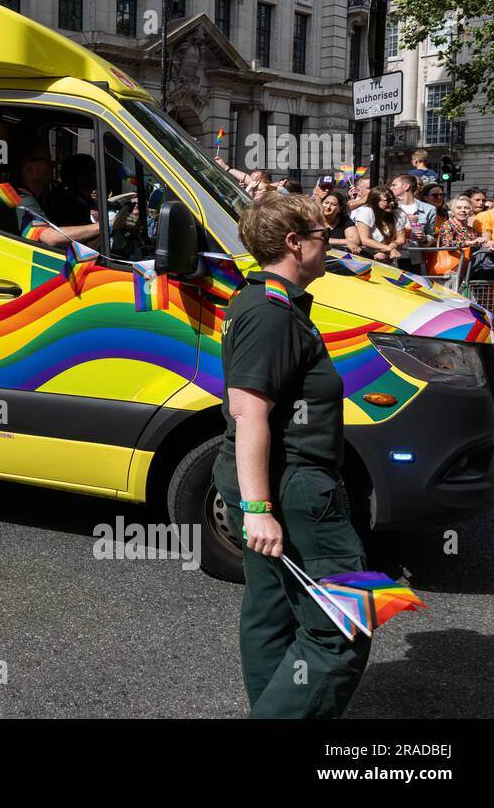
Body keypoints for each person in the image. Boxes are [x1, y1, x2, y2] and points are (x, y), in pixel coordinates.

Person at [214, 192, 370, 718]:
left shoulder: (260, 300)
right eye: (324, 236)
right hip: (293, 486)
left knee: (273, 613)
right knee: (342, 627)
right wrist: (259, 509)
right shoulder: (271, 313)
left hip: (276, 483)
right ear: (293, 243)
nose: (333, 243)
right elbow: (248, 411)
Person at [14, 143, 100, 249]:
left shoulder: (44, 197)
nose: (53, 164)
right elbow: (50, 237)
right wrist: (102, 227)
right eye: (47, 161)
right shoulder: (23, 201)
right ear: (30, 169)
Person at [429, 195, 486, 279]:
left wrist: (480, 241)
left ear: (470, 211)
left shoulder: (471, 230)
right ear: (452, 211)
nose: (462, 210)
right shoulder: (448, 225)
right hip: (449, 270)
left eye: (466, 208)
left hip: (465, 269)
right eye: (459, 208)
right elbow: (447, 244)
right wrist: (468, 242)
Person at [388, 174, 436, 271]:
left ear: (406, 186)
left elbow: (431, 236)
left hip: (414, 260)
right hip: (392, 258)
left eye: (394, 185)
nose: (390, 188)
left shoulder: (429, 209)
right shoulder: (389, 207)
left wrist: (424, 239)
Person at [350, 186, 406, 263]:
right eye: (388, 200)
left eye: (393, 200)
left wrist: (391, 247)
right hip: (365, 258)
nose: (392, 203)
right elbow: (365, 240)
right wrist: (389, 249)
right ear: (375, 201)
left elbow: (401, 238)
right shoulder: (367, 211)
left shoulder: (397, 213)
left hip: (388, 258)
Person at [320, 190, 360, 255]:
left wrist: (326, 240)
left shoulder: (345, 221)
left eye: (333, 204)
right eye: (326, 203)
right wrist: (346, 242)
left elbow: (355, 240)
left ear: (340, 209)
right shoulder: (313, 219)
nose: (328, 207)